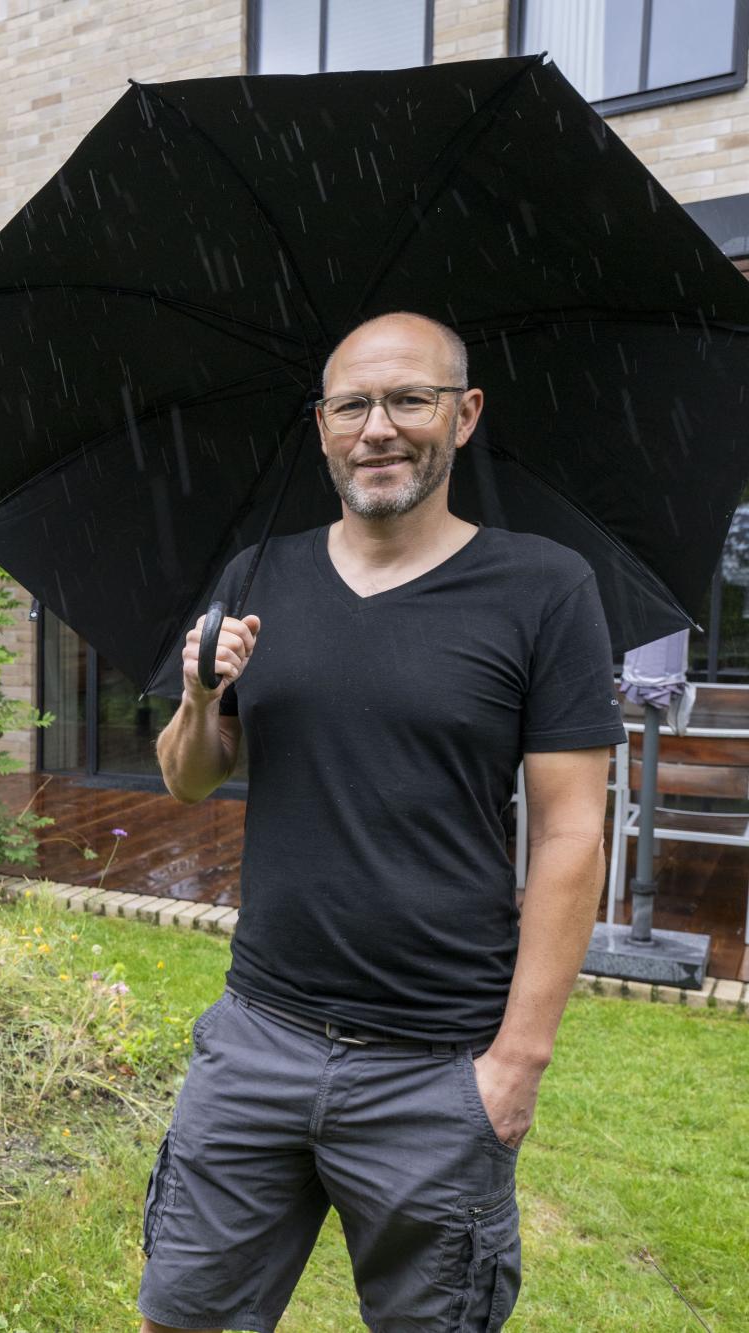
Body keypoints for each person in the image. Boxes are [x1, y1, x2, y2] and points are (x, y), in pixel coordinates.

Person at [135, 312, 624, 1333]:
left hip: (436, 1064)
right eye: (351, 405)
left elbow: (572, 833)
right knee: (182, 1319)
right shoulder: (256, 574)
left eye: (409, 400)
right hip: (256, 1036)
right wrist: (198, 697)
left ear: (464, 413)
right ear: (320, 426)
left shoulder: (542, 588)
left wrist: (515, 1064)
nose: (378, 429)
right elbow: (188, 778)